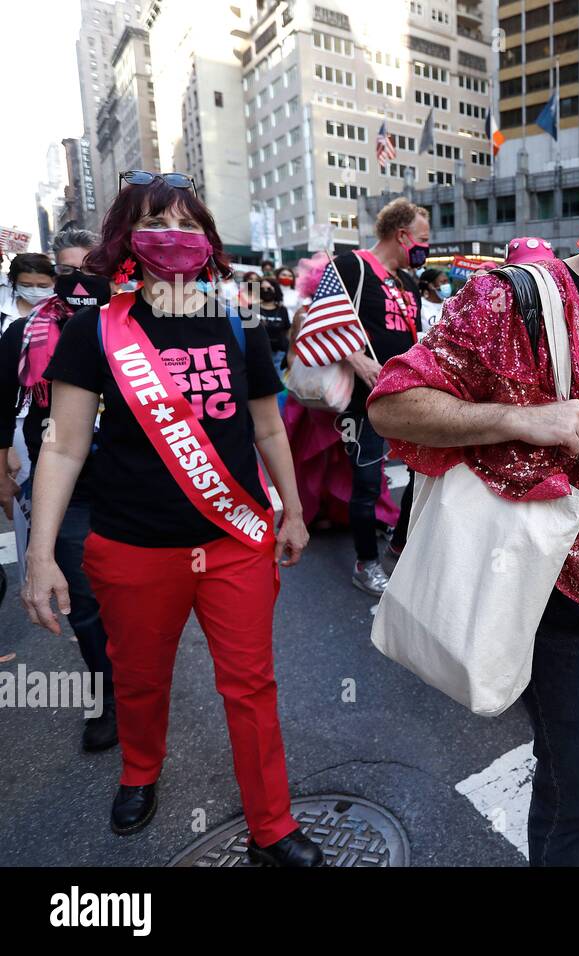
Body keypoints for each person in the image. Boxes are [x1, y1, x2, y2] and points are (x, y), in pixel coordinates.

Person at [367, 124, 579, 866]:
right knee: (573, 794)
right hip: (564, 604)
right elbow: (393, 403)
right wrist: (521, 418)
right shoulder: (512, 297)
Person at [20, 171, 321, 865]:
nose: (177, 239)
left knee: (250, 684)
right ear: (129, 238)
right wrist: (38, 555)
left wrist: (294, 511)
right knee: (141, 676)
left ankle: (271, 827)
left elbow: (269, 431)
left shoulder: (235, 319)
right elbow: (62, 445)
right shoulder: (96, 331)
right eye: (160, 223)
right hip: (132, 546)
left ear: (208, 241)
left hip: (234, 540)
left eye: (191, 226)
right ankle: (140, 771)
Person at [0, 229, 118, 751]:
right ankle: (108, 698)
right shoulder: (24, 333)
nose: (78, 282)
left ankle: (141, 681)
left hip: (128, 485)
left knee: (133, 599)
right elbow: (4, 405)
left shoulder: (131, 331)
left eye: (88, 271)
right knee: (85, 603)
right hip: (65, 487)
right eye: (66, 273)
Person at [331, 197, 423, 595]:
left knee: (421, 476)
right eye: (421, 239)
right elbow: (317, 320)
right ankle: (366, 563)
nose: (425, 248)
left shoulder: (409, 281)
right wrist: (357, 361)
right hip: (364, 401)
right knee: (367, 482)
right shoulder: (350, 266)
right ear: (402, 236)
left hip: (409, 396)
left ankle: (400, 545)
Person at [281, 253, 399, 531]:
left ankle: (350, 511)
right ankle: (324, 509)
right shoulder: (306, 316)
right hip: (320, 397)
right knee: (324, 460)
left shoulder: (352, 317)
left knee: (350, 461)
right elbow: (293, 357)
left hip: (345, 396)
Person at [3, 253, 57, 333]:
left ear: (54, 281)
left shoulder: (64, 312)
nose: (35, 291)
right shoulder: (3, 312)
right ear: (14, 282)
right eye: (26, 285)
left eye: (43, 286)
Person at [257, 277, 292, 371]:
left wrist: (288, 351)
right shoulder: (251, 308)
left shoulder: (282, 310)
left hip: (279, 354)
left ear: (275, 289)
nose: (265, 291)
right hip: (258, 354)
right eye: (262, 289)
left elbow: (287, 331)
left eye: (269, 288)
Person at [416, 268, 451, 332]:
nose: (447, 285)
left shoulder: (450, 304)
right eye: (443, 282)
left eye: (447, 281)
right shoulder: (420, 305)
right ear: (431, 285)